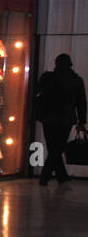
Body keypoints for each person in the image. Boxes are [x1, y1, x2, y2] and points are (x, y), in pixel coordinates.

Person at [34, 53, 87, 185]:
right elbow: (81, 102)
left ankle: (58, 176)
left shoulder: (47, 78)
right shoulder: (76, 80)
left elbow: (37, 95)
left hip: (47, 117)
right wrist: (82, 121)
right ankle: (47, 176)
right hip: (65, 118)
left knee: (53, 147)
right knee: (57, 148)